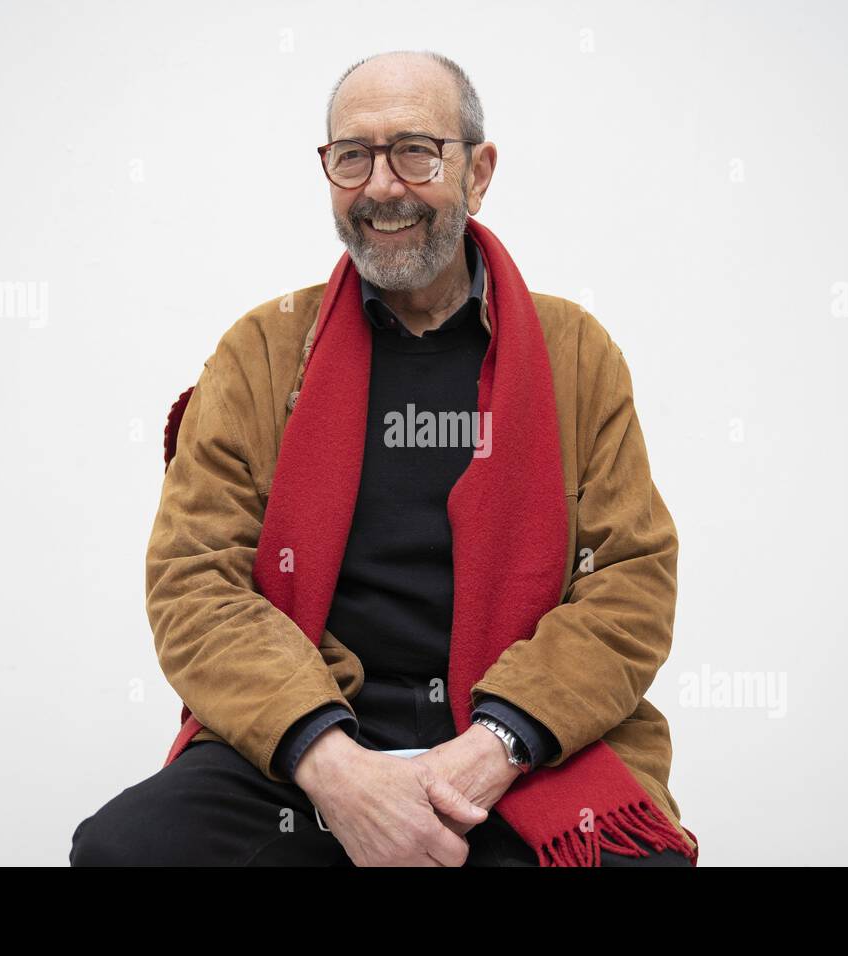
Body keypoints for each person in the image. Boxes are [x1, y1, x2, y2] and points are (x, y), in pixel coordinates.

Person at [70, 49, 697, 867]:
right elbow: (194, 581)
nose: (380, 186)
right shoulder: (260, 350)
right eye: (352, 156)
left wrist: (493, 747)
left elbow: (632, 581)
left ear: (479, 171)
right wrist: (336, 771)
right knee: (124, 852)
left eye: (415, 150)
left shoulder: (574, 352)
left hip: (520, 744)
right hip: (313, 741)